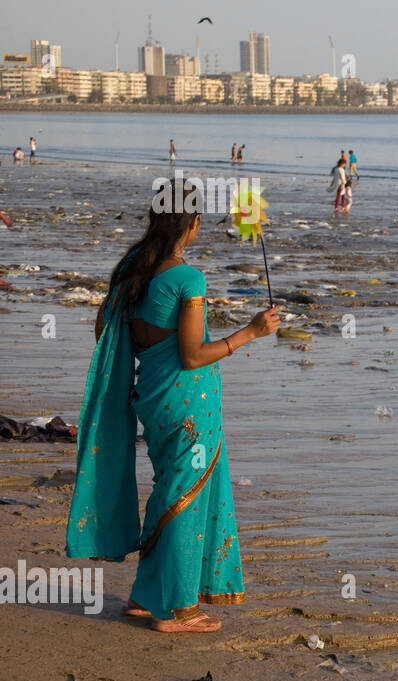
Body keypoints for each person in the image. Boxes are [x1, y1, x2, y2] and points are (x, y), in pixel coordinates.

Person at [66, 179, 281, 632]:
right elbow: (192, 355)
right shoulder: (187, 278)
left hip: (153, 398)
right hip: (187, 404)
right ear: (194, 224)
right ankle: (177, 609)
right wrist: (251, 331)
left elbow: (109, 329)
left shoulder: (133, 269)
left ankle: (146, 596)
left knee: (169, 489)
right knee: (184, 496)